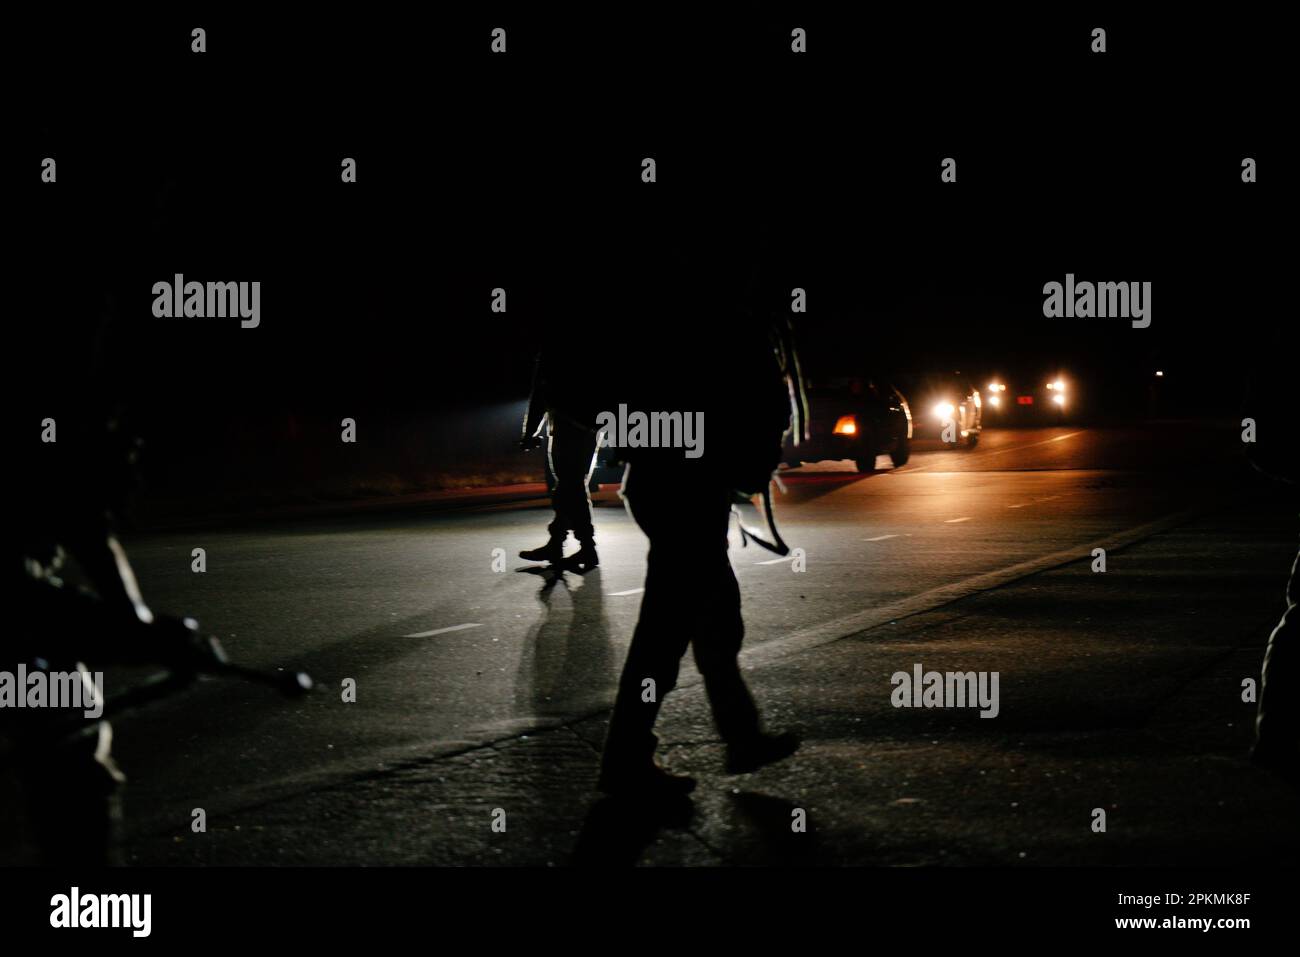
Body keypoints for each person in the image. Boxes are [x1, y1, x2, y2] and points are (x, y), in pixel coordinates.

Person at [595, 253, 803, 799]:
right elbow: (748, 402)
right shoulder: (722, 324)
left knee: (712, 620)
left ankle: (739, 737)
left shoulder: (690, 319)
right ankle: (627, 760)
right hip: (684, 490)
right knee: (665, 635)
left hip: (674, 486)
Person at [519, 336, 603, 570]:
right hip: (591, 425)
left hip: (566, 424)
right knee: (572, 486)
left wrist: (529, 433)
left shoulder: (551, 349)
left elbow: (541, 392)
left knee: (569, 485)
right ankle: (562, 543)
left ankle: (585, 547)